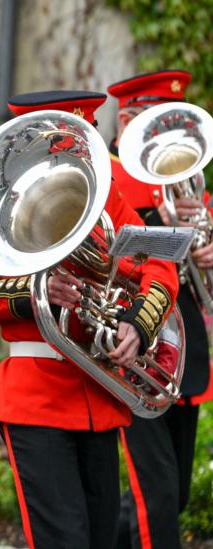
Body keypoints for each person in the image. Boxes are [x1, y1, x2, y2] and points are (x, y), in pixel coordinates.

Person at [0, 90, 180, 549]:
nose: (73, 156)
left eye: (80, 143)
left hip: (98, 396)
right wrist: (37, 290)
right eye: (61, 146)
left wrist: (139, 319)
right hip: (35, 396)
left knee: (98, 538)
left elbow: (158, 260)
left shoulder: (106, 198)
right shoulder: (0, 215)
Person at [107, 69, 213, 549]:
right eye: (157, 124)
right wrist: (166, 234)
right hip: (137, 344)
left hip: (185, 347)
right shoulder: (108, 178)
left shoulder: (189, 182)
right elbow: (112, 259)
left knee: (175, 495)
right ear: (127, 120)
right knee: (157, 495)